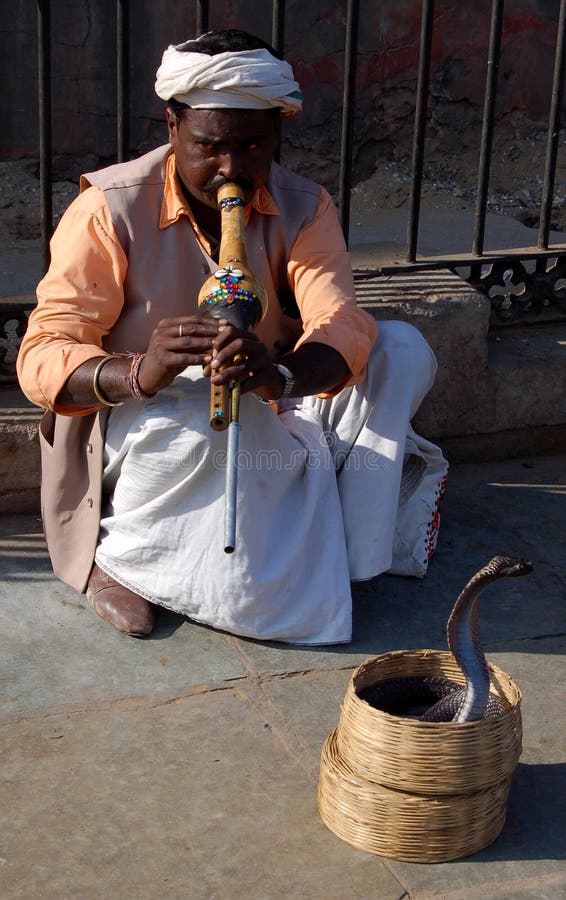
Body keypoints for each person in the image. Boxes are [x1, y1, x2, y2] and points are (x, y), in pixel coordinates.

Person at [17, 29, 448, 643]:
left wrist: (286, 375)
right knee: (200, 425)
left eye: (252, 148)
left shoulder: (305, 206)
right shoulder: (108, 209)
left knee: (399, 348)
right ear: (172, 126)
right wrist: (141, 369)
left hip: (268, 391)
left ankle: (351, 555)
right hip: (143, 414)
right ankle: (123, 562)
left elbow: (342, 320)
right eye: (210, 146)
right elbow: (42, 353)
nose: (232, 170)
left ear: (277, 135)